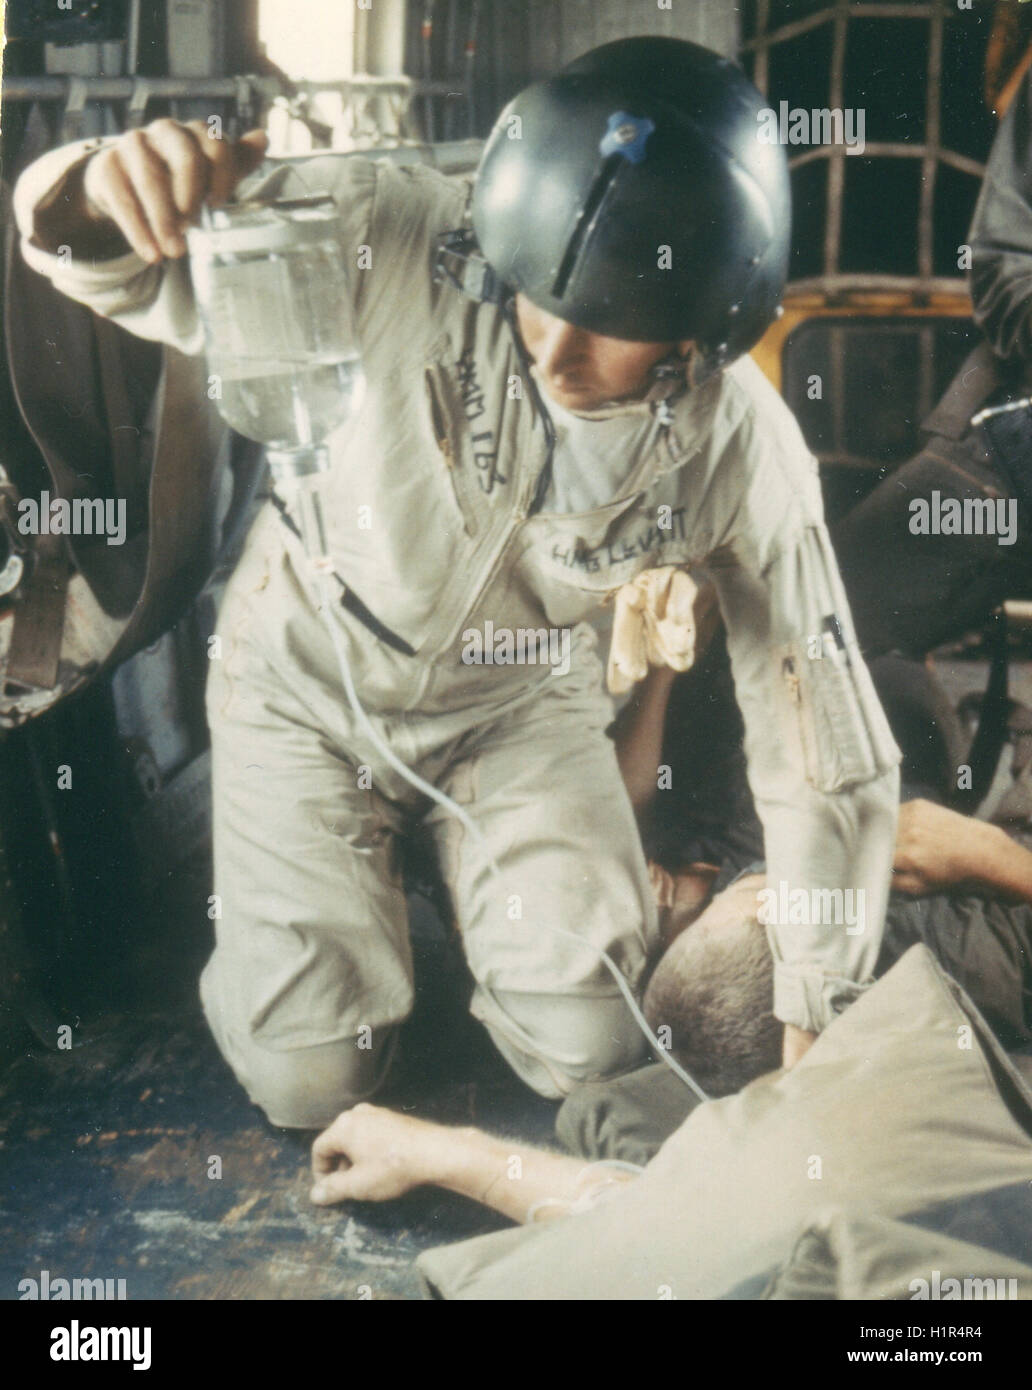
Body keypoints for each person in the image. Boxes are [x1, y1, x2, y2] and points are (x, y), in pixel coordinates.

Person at [13, 37, 899, 1128]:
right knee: (311, 1080)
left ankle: (452, 876)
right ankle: (354, 908)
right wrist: (99, 184)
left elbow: (824, 739)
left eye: (613, 325)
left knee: (588, 1045)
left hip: (518, 706)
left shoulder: (740, 447)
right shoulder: (387, 230)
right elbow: (104, 254)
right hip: (308, 681)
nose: (556, 349)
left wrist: (819, 997)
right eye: (534, 297)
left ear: (702, 334)